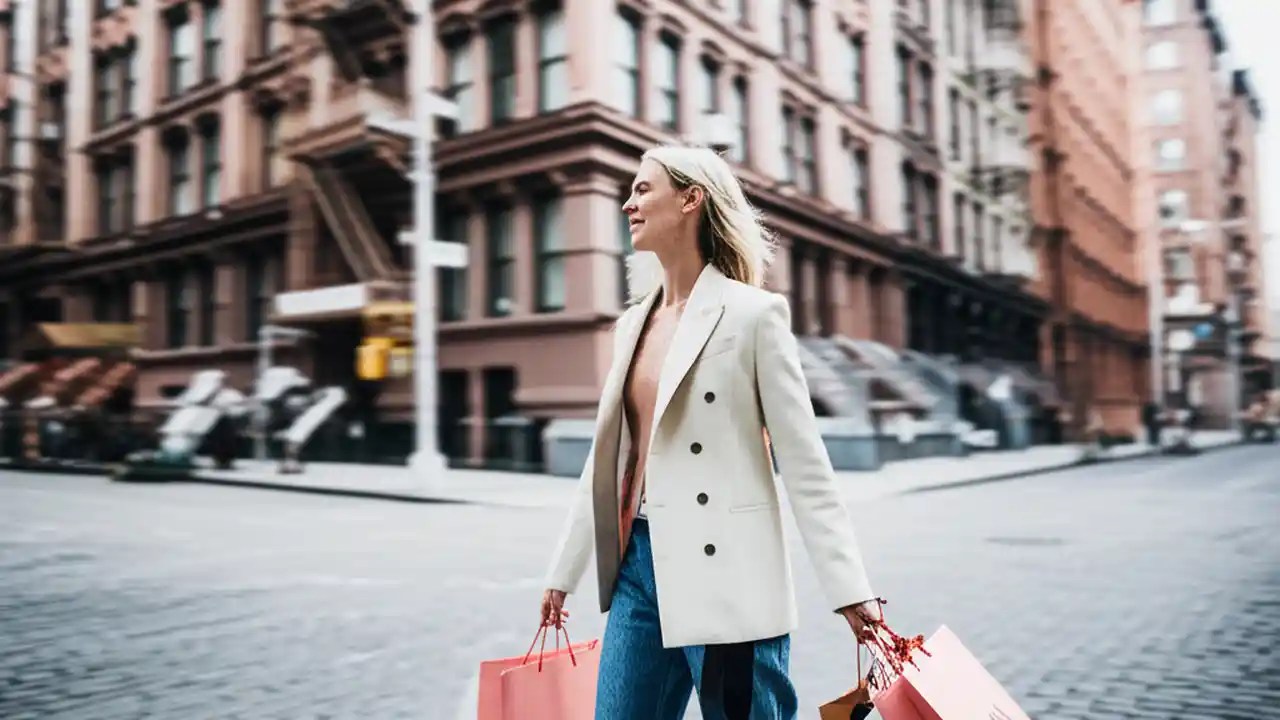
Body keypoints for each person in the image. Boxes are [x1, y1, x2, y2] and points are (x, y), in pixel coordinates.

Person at [539, 145, 881, 719]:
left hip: (728, 576)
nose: (628, 203)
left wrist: (850, 587)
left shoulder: (753, 315)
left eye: (644, 189)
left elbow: (805, 465)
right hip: (637, 567)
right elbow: (611, 460)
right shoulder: (632, 324)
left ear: (692, 197)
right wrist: (562, 574)